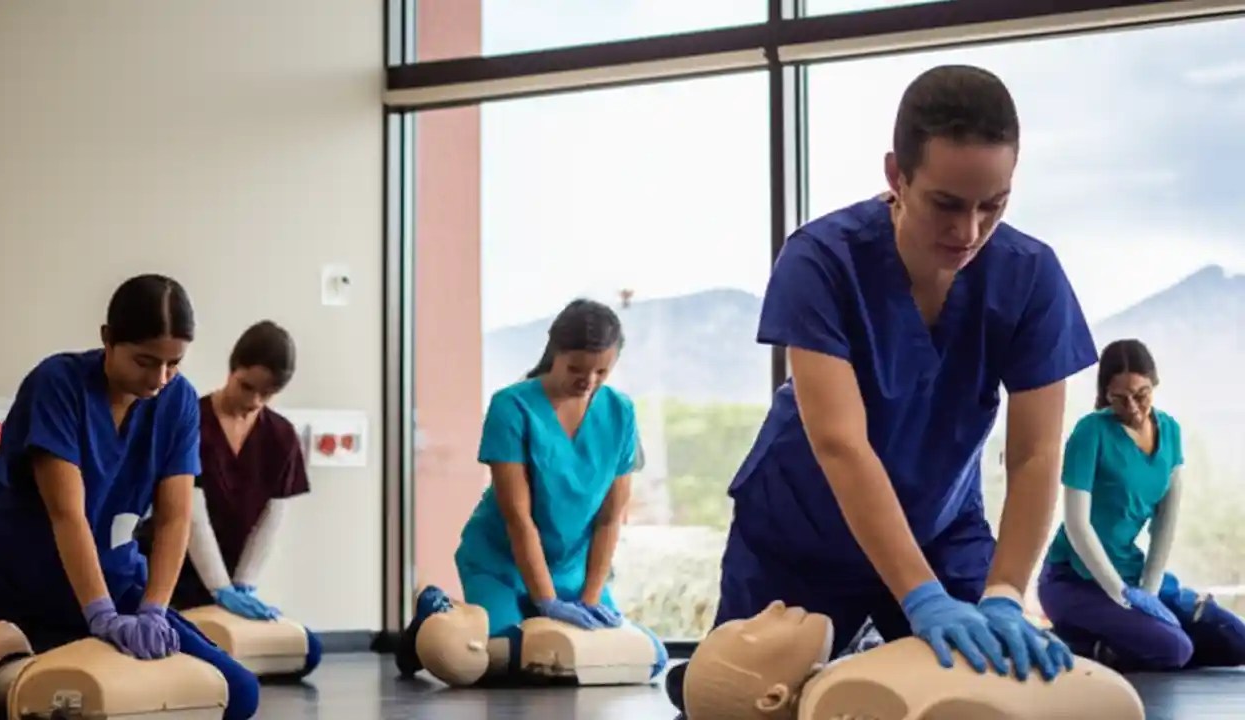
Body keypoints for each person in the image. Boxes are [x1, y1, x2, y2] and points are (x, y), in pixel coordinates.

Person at [667, 64, 1097, 710]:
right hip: (801, 535)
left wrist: (1007, 591)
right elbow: (842, 445)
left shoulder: (1030, 276)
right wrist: (919, 598)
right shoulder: (820, 261)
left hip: (941, 530)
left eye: (994, 205)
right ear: (897, 175)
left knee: (990, 697)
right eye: (947, 204)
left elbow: (1036, 454)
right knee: (740, 702)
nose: (970, 231)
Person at [0, 274, 258, 720]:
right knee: (44, 698)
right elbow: (68, 514)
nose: (159, 378)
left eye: (173, 363)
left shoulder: (177, 401)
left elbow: (174, 519)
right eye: (145, 361)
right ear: (107, 339)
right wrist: (99, 615)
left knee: (236, 694)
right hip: (10, 588)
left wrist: (155, 609)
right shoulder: (57, 384)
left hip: (115, 583)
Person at [398, 298, 666, 679]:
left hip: (573, 572)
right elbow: (518, 518)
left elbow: (609, 520)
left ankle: (537, 615)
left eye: (602, 372)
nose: (588, 381)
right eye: (576, 368)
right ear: (555, 352)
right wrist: (545, 601)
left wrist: (588, 599)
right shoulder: (511, 407)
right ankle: (439, 614)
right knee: (499, 659)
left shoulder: (621, 413)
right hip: (501, 563)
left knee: (647, 657)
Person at [1038, 339, 1245, 672]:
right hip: (1074, 579)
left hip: (1133, 572)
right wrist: (1121, 594)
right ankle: (1068, 640)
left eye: (1141, 394)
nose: (1132, 407)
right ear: (1105, 394)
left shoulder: (1171, 432)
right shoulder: (1091, 433)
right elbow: (1077, 525)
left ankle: (1147, 638)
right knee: (1173, 648)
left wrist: (1148, 590)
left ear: (1155, 384)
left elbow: (1166, 520)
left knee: (1235, 640)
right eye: (1119, 398)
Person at [137, 320, 322, 681]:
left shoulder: (281, 436)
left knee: (309, 649)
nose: (253, 401)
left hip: (231, 583)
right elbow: (191, 517)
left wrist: (242, 586)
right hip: (174, 573)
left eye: (265, 395)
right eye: (247, 386)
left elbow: (271, 519)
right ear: (232, 368)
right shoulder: (193, 420)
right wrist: (219, 588)